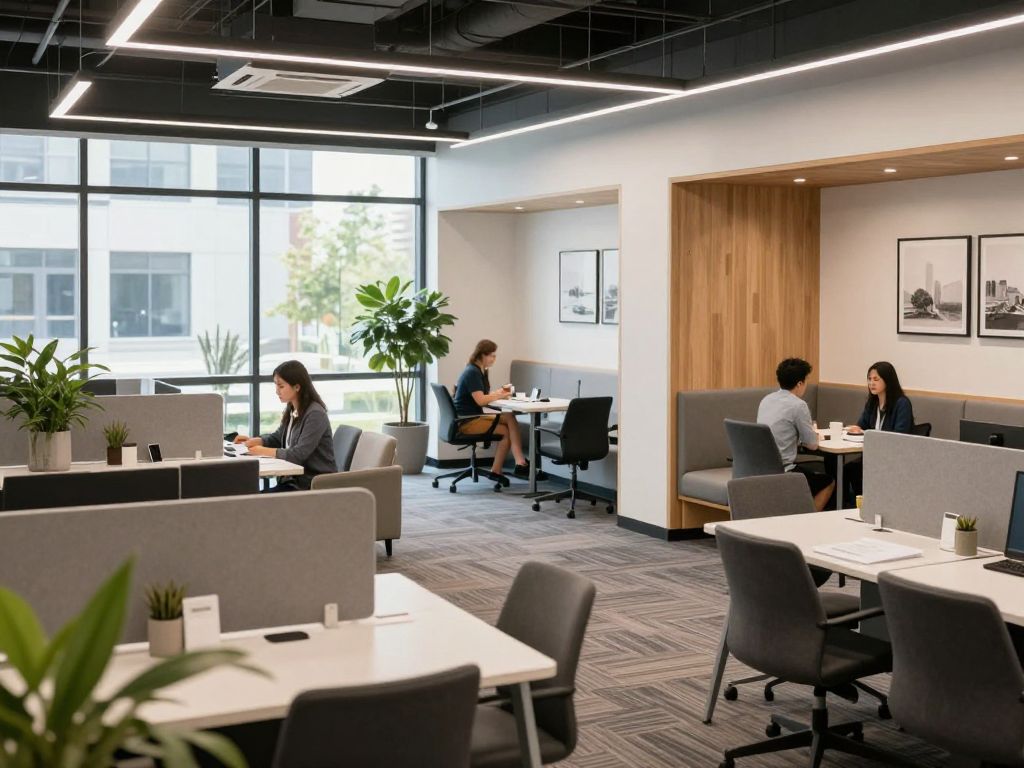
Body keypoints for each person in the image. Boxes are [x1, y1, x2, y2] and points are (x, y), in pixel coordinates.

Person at [234, 360, 336, 491]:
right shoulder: (293, 409)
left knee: (252, 499)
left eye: (281, 386)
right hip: (292, 482)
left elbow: (298, 455)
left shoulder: (315, 414)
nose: (277, 391)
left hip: (310, 485)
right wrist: (255, 441)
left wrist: (260, 450)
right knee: (247, 495)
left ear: (297, 387)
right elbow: (278, 437)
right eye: (276, 386)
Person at [757, 357, 835, 511]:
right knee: (828, 482)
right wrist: (814, 435)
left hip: (760, 468)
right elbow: (812, 445)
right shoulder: (798, 405)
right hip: (783, 470)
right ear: (800, 383)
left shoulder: (767, 400)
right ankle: (808, 523)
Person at [453, 339, 528, 479]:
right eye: (492, 355)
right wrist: (498, 395)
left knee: (509, 417)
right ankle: (506, 467)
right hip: (467, 421)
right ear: (482, 355)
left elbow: (482, 396)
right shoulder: (472, 372)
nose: (494, 359)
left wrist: (498, 394)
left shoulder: (479, 371)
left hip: (470, 417)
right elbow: (481, 401)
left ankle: (517, 462)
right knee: (506, 430)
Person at [843, 361, 915, 498]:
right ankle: (853, 505)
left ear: (888, 380)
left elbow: (900, 436)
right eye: (869, 379)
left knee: (855, 470)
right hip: (874, 454)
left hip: (893, 458)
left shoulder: (902, 403)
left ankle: (867, 504)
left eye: (876, 379)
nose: (871, 383)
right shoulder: (873, 402)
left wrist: (871, 434)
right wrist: (855, 428)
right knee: (847, 469)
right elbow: (862, 425)